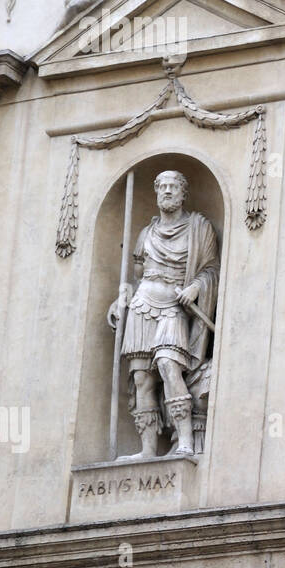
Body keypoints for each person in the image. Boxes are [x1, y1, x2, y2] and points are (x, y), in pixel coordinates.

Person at [108, 171, 219, 458]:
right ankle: (147, 450)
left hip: (174, 306)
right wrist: (121, 299)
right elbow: (138, 276)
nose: (167, 192)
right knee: (143, 378)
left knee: (169, 365)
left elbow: (211, 270)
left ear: (184, 194)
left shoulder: (198, 227)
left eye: (173, 187)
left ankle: (184, 441)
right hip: (143, 304)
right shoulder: (146, 233)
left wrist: (195, 287)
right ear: (157, 193)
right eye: (163, 187)